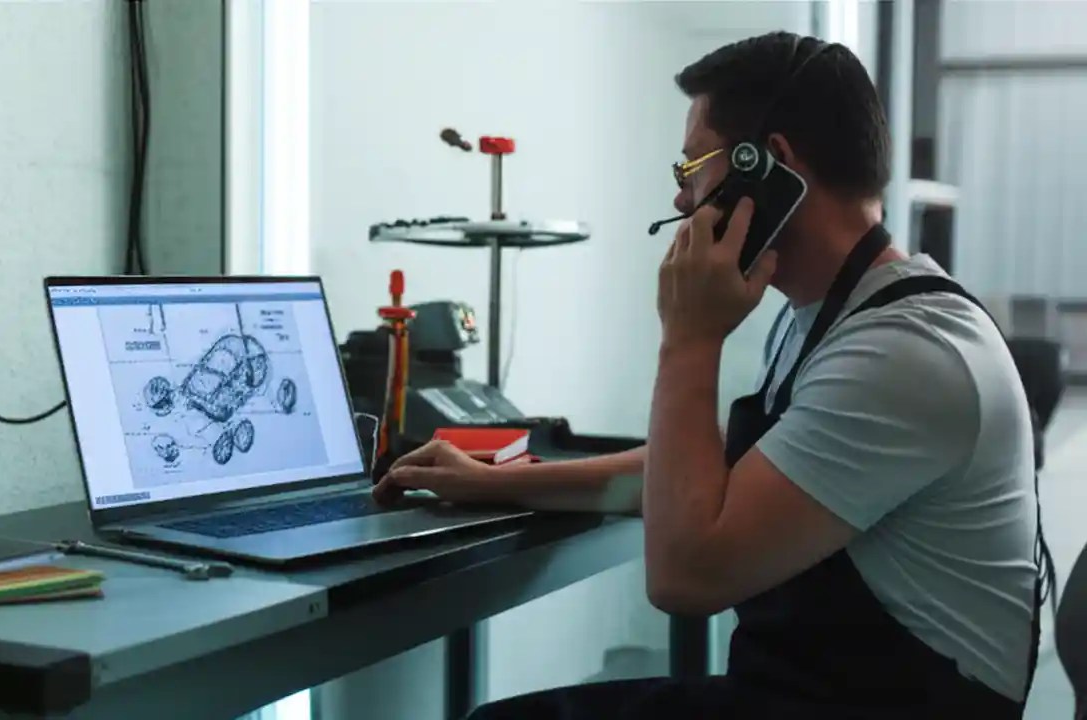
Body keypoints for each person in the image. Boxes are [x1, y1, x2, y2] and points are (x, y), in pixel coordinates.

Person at [373, 31, 1049, 720]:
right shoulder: (831, 318)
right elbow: (714, 477)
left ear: (768, 164)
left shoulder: (905, 354)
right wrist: (491, 481)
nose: (681, 199)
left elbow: (685, 576)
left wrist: (688, 338)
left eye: (692, 167)